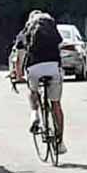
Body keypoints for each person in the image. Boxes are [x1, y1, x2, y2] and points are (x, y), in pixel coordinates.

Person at [14, 10, 67, 155]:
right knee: (56, 104)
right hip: (53, 67)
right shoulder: (52, 29)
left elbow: (19, 55)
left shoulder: (27, 31)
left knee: (32, 91)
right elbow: (60, 47)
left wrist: (18, 74)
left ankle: (34, 114)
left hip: (34, 67)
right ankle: (60, 142)